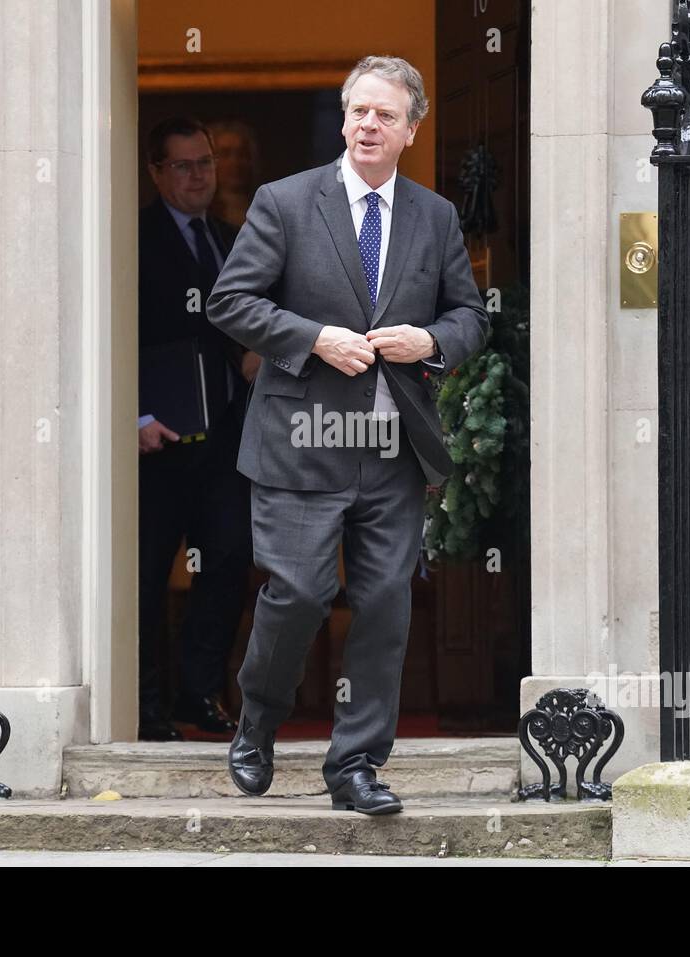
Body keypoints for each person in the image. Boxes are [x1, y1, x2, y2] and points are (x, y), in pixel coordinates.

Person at [207, 56, 489, 813]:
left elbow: (470, 316)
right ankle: (258, 722)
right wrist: (314, 337)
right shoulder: (285, 202)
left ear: (410, 130)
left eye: (385, 116)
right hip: (300, 437)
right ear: (343, 119)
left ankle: (355, 765)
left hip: (392, 447)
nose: (369, 124)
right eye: (359, 111)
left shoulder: (434, 216)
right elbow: (231, 301)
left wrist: (428, 343)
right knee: (299, 592)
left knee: (386, 600)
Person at [137, 116, 258, 741]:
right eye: (182, 166)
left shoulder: (229, 239)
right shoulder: (129, 235)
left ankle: (198, 691)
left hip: (225, 437)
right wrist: (128, 417)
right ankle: (146, 706)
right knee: (147, 573)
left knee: (232, 558)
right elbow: (107, 332)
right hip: (154, 440)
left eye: (204, 163)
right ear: (157, 172)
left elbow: (241, 327)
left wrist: (256, 353)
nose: (197, 176)